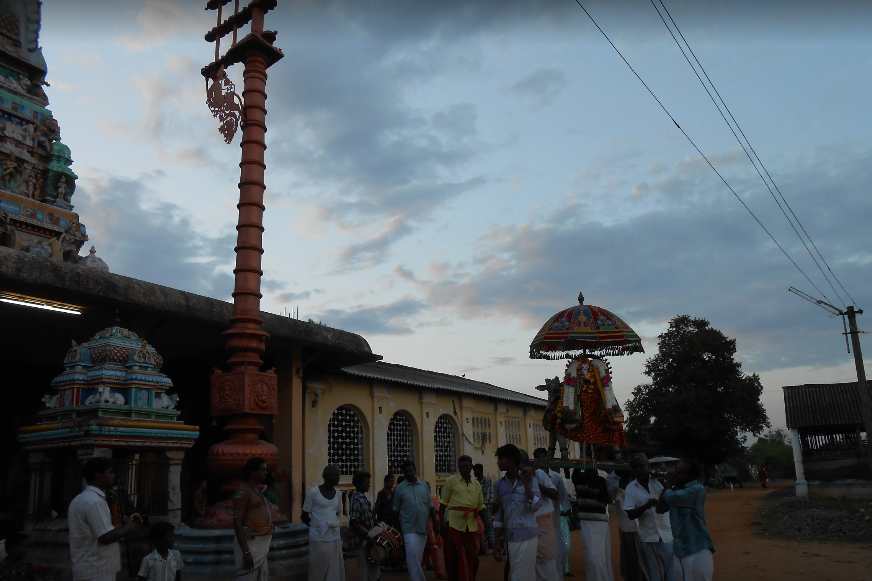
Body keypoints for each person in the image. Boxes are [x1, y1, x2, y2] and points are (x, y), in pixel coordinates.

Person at [68, 457, 141, 581]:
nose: (113, 476)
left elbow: (95, 531)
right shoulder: (94, 502)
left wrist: (118, 527)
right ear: (99, 475)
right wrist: (128, 527)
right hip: (96, 571)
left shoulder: (81, 499)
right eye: (110, 472)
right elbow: (106, 537)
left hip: (91, 569)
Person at [657, 458, 715, 581]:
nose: (675, 474)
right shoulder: (677, 489)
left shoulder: (697, 489)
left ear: (691, 476)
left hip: (698, 548)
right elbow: (660, 508)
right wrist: (669, 486)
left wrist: (667, 485)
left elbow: (670, 498)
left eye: (680, 472)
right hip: (681, 550)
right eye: (675, 471)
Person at [492, 444, 541, 581]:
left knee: (521, 576)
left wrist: (525, 483)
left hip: (529, 536)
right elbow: (499, 516)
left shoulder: (531, 480)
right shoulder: (498, 485)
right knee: (516, 574)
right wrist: (497, 542)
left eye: (502, 459)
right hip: (512, 538)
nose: (499, 462)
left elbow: (536, 505)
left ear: (512, 460)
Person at [624, 454, 674, 581]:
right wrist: (647, 505)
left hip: (668, 534)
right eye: (636, 468)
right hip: (650, 537)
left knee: (672, 574)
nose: (639, 470)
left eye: (642, 466)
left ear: (648, 466)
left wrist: (667, 483)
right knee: (656, 576)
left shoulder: (659, 481)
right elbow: (630, 515)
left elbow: (672, 499)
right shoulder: (630, 488)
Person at [439, 455, 485, 581]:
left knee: (472, 558)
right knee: (452, 557)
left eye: (466, 466)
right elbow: (442, 504)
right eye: (461, 466)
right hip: (453, 524)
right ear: (458, 467)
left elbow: (481, 507)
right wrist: (442, 525)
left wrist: (486, 528)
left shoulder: (476, 485)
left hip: (471, 525)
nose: (464, 469)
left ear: (471, 467)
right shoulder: (451, 481)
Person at [392, 460, 437, 581]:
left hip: (423, 526)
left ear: (415, 471)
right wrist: (397, 531)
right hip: (407, 527)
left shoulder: (424, 486)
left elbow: (431, 506)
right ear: (403, 473)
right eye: (406, 471)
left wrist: (436, 524)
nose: (409, 473)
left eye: (411, 470)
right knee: (411, 556)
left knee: (418, 556)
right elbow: (395, 510)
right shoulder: (399, 489)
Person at [519, 450, 560, 581]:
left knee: (547, 563)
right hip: (526, 525)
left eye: (520, 464)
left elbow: (555, 494)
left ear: (526, 463)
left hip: (543, 523)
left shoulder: (539, 474)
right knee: (529, 564)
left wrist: (534, 482)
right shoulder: (514, 478)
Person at [233, 457, 276, 581]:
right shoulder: (243, 491)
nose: (266, 473)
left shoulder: (257, 490)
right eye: (263, 470)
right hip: (250, 544)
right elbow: (237, 522)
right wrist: (246, 552)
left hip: (260, 543)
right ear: (252, 472)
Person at [533, 449, 570, 581]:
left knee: (559, 552)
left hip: (555, 520)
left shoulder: (556, 477)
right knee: (542, 557)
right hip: (537, 522)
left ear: (548, 460)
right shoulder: (531, 476)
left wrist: (567, 510)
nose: (541, 460)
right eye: (538, 458)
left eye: (543, 458)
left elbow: (562, 496)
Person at [302, 465, 344, 581]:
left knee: (333, 565)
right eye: (336, 475)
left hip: (334, 535)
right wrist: (317, 528)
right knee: (318, 567)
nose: (338, 477)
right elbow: (304, 516)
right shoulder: (314, 493)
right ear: (326, 477)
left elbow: (335, 513)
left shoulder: (338, 494)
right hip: (318, 537)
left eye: (338, 475)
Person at [572, 467, 613, 581]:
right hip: (587, 523)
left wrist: (594, 476)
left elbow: (605, 500)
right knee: (593, 559)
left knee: (602, 559)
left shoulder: (601, 480)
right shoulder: (579, 479)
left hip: (601, 523)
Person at [606, 469, 647, 581]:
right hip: (627, 525)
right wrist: (622, 482)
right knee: (630, 557)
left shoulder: (640, 476)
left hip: (643, 524)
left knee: (644, 557)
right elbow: (614, 496)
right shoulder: (611, 478)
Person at [348, 470, 380, 581]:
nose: (369, 485)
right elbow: (353, 522)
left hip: (368, 539)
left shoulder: (363, 499)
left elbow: (369, 517)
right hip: (362, 541)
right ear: (358, 484)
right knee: (364, 569)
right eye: (366, 483)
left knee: (372, 566)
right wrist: (367, 536)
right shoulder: (356, 499)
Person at [423, 493, 446, 579]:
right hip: (430, 526)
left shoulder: (429, 498)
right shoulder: (430, 499)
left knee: (429, 551)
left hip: (431, 525)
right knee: (432, 550)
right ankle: (438, 572)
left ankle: (417, 568)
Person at [472, 464, 494, 553]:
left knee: (489, 526)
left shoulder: (487, 481)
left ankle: (493, 544)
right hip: (478, 507)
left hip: (486, 506)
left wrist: (482, 506)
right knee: (480, 528)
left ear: (480, 471)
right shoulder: (475, 482)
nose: (474, 473)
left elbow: (487, 495)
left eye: (475, 471)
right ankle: (483, 547)